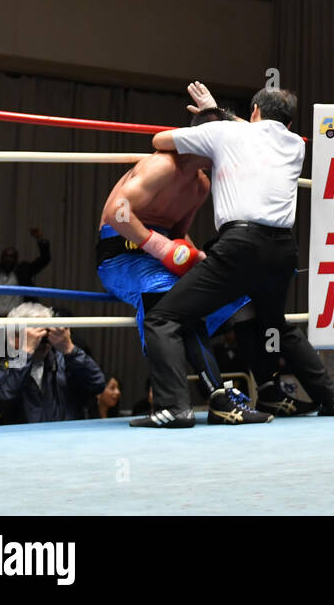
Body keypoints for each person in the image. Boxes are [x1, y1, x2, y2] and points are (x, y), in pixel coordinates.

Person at [139, 85, 334, 427]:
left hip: (240, 247)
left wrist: (213, 121)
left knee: (163, 319)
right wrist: (219, 113)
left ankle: (174, 409)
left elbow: (160, 140)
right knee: (274, 324)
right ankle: (330, 397)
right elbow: (258, 130)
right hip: (282, 252)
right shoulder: (296, 144)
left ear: (254, 112)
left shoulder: (225, 134)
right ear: (290, 123)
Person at [96, 103, 262, 425]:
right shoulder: (162, 167)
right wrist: (160, 248)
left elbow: (178, 235)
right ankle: (183, 402)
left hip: (159, 259)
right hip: (121, 257)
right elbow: (116, 213)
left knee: (227, 296)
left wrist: (195, 255)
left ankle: (220, 395)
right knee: (169, 294)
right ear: (207, 140)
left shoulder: (201, 186)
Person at [0, 302, 106, 423]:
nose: (43, 339)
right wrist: (25, 353)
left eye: (46, 332)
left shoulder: (66, 360)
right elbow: (1, 400)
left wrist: (69, 349)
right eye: (36, 332)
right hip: (25, 439)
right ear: (15, 336)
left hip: (67, 437)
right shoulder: (5, 365)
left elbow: (97, 385)